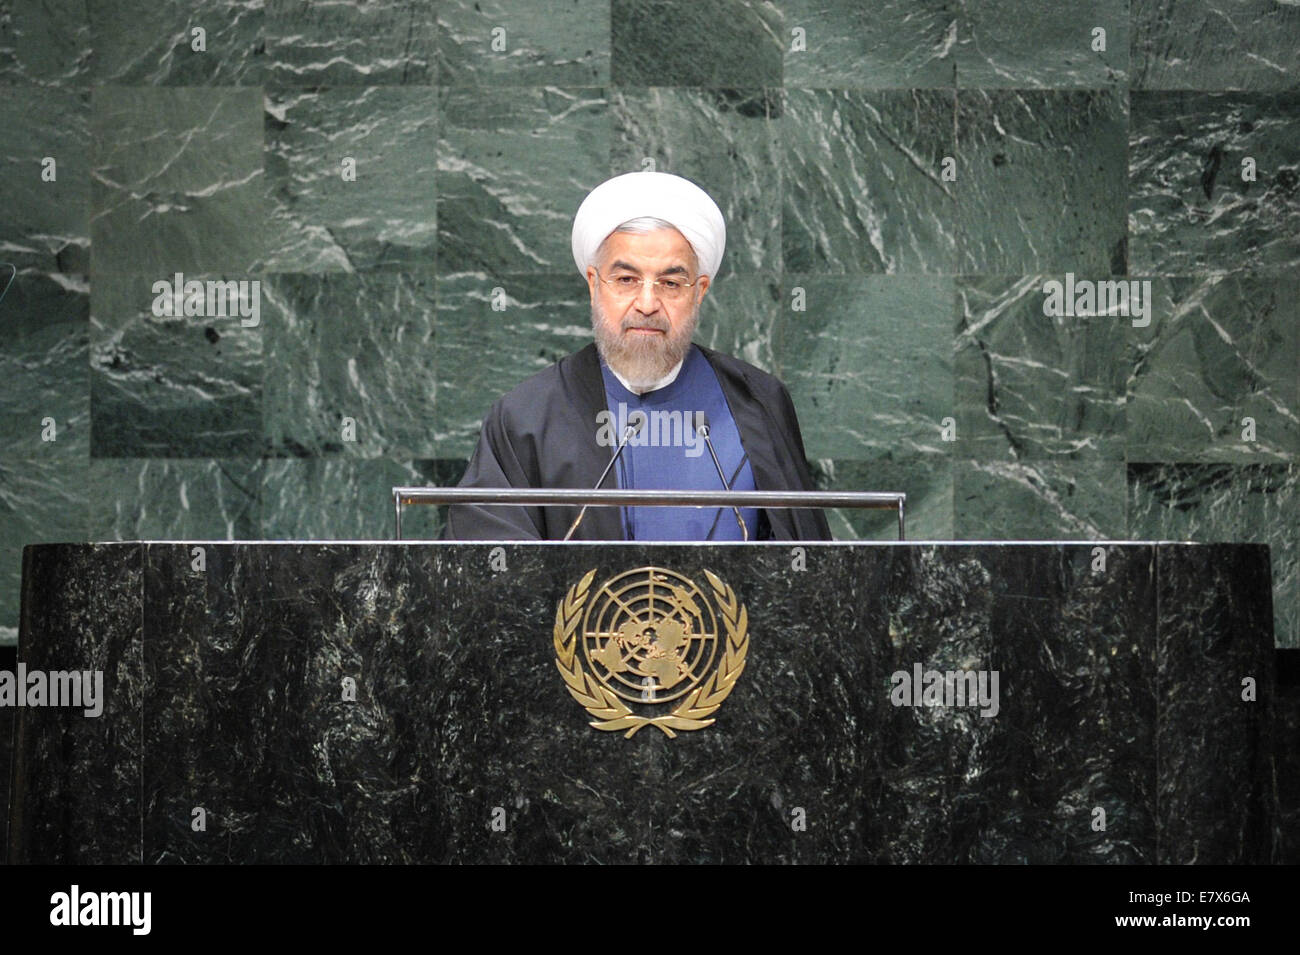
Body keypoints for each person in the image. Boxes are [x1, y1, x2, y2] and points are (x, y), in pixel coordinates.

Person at [444, 170, 831, 542]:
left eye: (670, 282)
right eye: (626, 279)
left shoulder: (759, 404)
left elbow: (808, 574)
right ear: (594, 285)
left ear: (700, 292)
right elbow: (487, 573)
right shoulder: (526, 417)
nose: (647, 303)